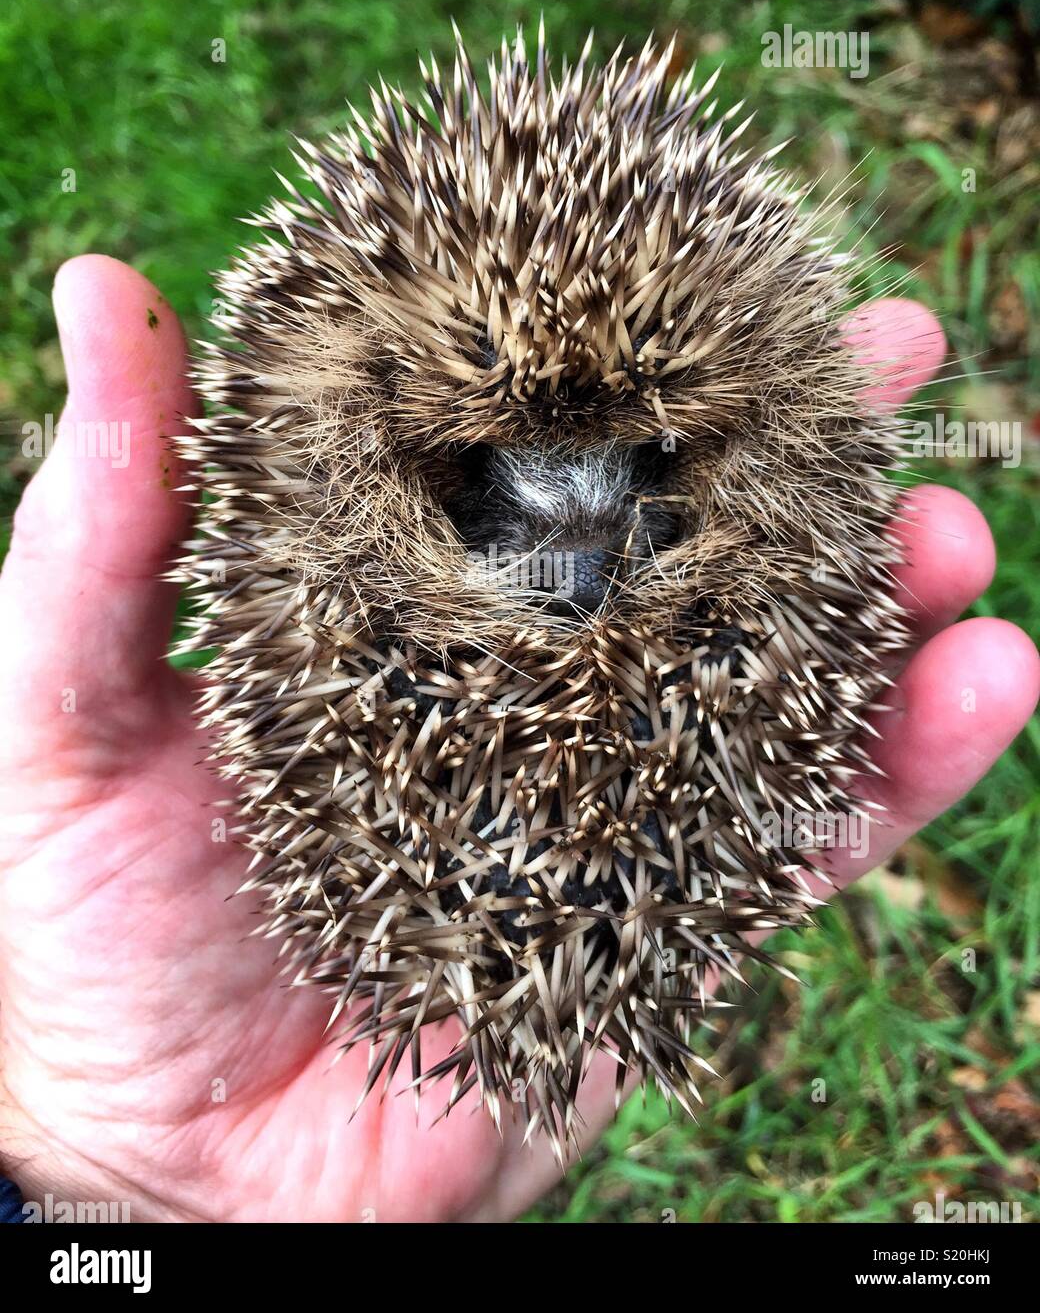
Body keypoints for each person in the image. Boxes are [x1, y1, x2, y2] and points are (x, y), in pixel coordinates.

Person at [0, 255, 1036, 1223]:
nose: (577, 571)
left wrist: (99, 1177)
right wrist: (100, 1171)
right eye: (502, 465)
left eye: (639, 456)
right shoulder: (343, 419)